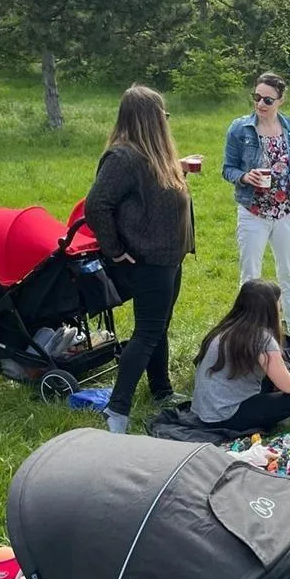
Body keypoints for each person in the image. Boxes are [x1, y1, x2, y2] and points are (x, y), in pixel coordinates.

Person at [84, 85, 194, 434]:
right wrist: (115, 250)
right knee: (147, 331)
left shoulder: (152, 156)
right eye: (163, 114)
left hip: (170, 256)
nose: (166, 120)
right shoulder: (123, 158)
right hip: (147, 260)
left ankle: (160, 390)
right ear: (149, 118)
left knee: (159, 326)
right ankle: (117, 411)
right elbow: (96, 206)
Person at [222, 72, 290, 341]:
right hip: (253, 212)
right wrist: (243, 176)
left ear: (281, 101)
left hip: (286, 211)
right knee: (250, 275)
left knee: (288, 272)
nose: (260, 104)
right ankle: (247, 330)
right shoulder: (239, 129)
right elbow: (227, 168)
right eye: (256, 97)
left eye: (267, 100)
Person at [192, 280, 290, 433]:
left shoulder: (225, 327)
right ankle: (283, 421)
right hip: (225, 416)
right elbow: (287, 385)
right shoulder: (262, 338)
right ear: (271, 308)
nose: (280, 308)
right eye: (279, 303)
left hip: (204, 409)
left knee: (277, 379)